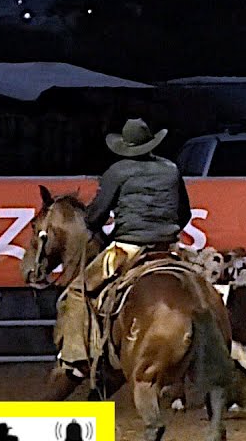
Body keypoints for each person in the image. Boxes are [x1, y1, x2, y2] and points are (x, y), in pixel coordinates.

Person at [51, 118, 192, 397]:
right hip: (169, 247)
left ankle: (76, 357)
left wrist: (94, 223)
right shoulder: (171, 169)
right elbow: (184, 213)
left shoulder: (118, 171)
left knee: (77, 291)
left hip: (128, 247)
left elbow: (96, 214)